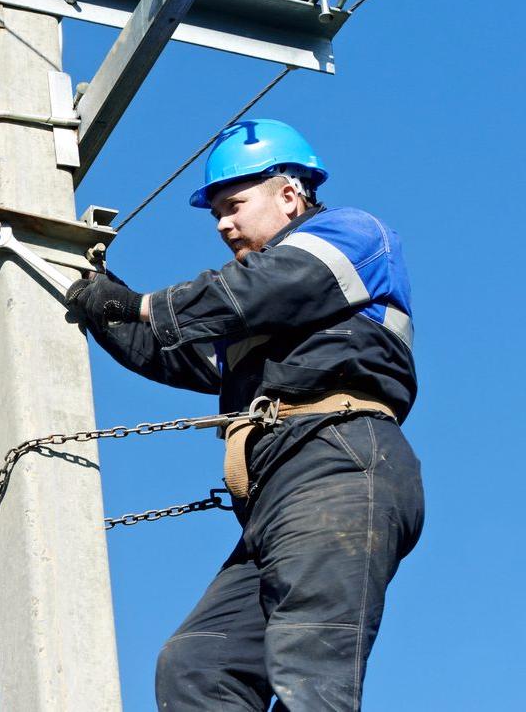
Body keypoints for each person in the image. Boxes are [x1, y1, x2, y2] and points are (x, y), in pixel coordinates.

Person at [65, 119, 424, 712]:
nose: (223, 224)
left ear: (290, 194)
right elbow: (176, 351)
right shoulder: (262, 312)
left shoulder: (352, 235)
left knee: (312, 668)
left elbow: (261, 286)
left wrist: (145, 304)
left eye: (233, 205)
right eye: (215, 215)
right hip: (280, 491)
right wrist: (102, 300)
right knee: (199, 667)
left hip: (339, 461)